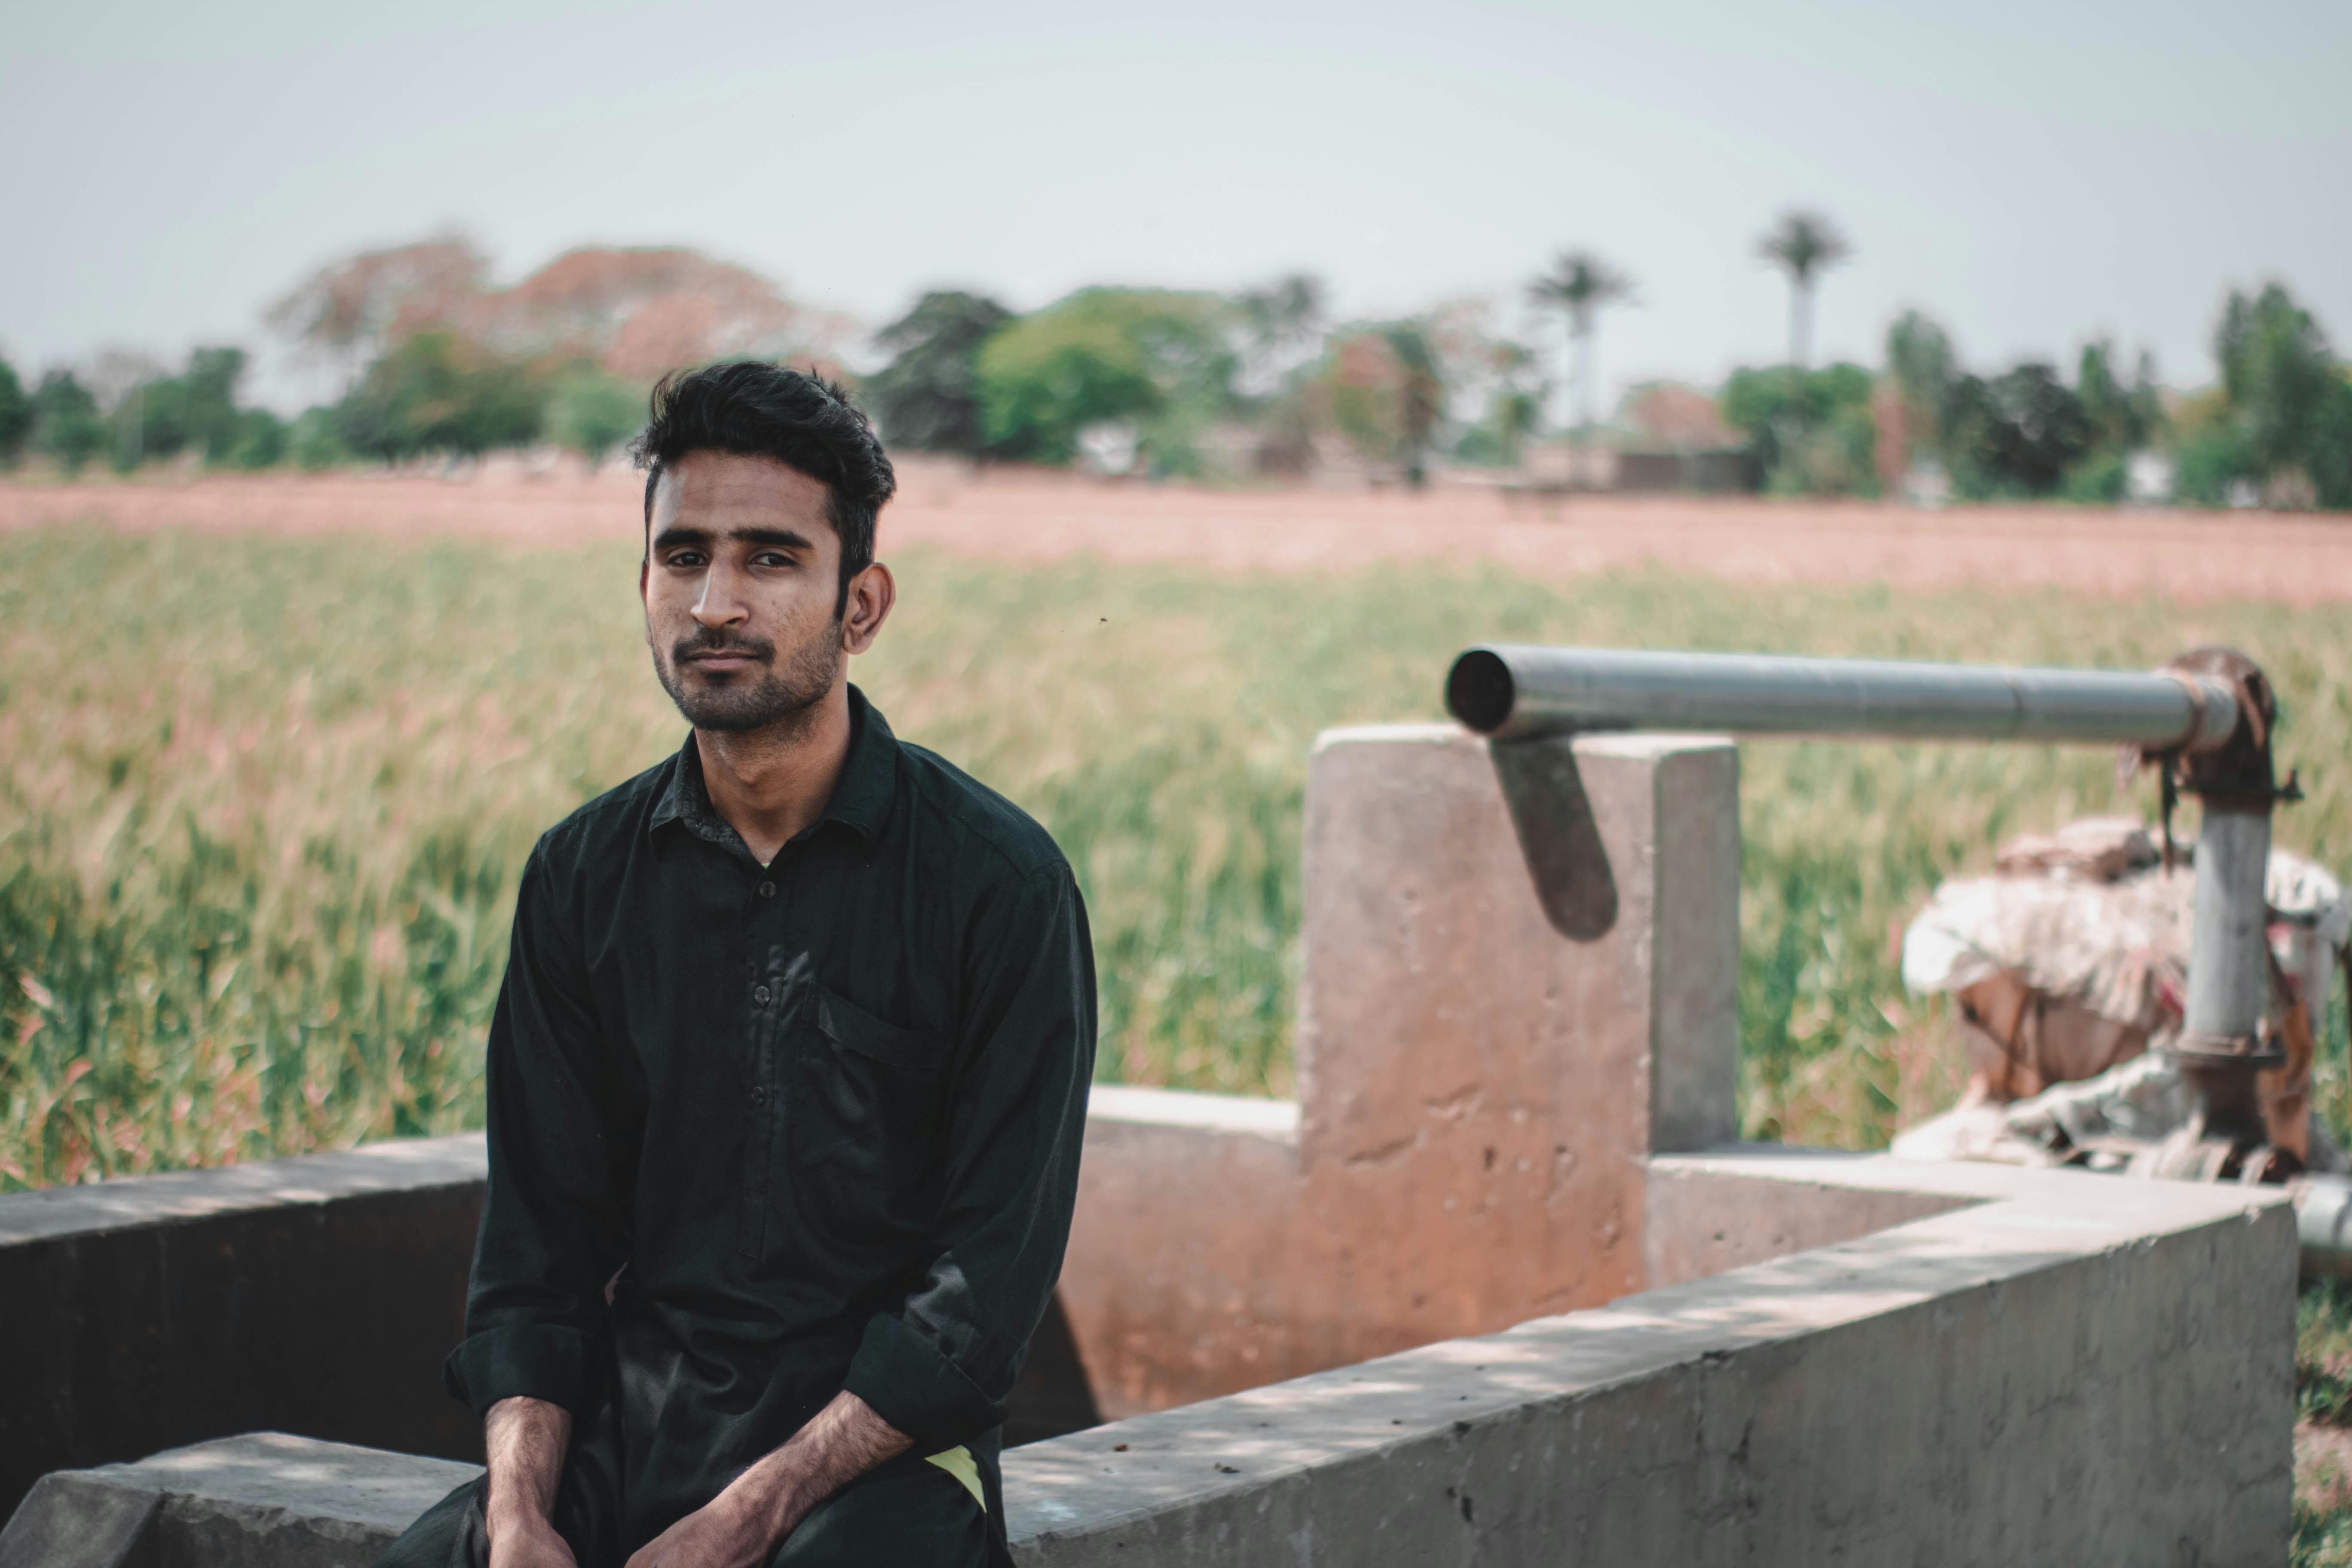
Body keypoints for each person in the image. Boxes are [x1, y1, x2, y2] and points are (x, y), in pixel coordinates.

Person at [376, 362, 1097, 1568]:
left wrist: (747, 1519)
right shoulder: (583, 876)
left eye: (769, 559)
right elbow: (536, 1259)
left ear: (860, 605)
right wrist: (515, 1514)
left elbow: (978, 1302)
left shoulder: (996, 883)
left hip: (887, 1466)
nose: (713, 603)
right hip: (635, 1435)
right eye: (682, 556)